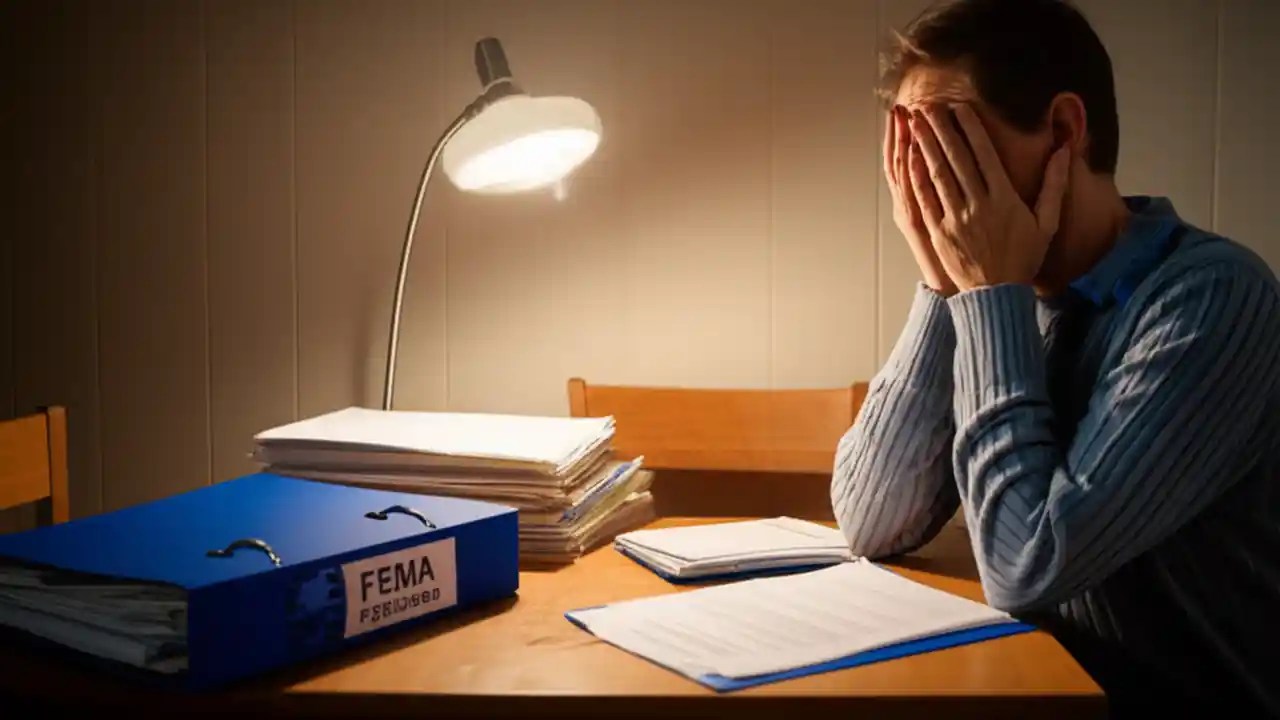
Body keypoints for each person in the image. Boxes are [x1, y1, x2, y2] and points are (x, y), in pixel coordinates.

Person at [830, 0, 1280, 715]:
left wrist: (986, 293)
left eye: (952, 140)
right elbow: (873, 522)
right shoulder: (1006, 293)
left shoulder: (1211, 298)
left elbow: (1023, 566)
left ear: (1065, 130)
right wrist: (943, 287)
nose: (925, 180)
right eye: (909, 150)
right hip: (1035, 693)